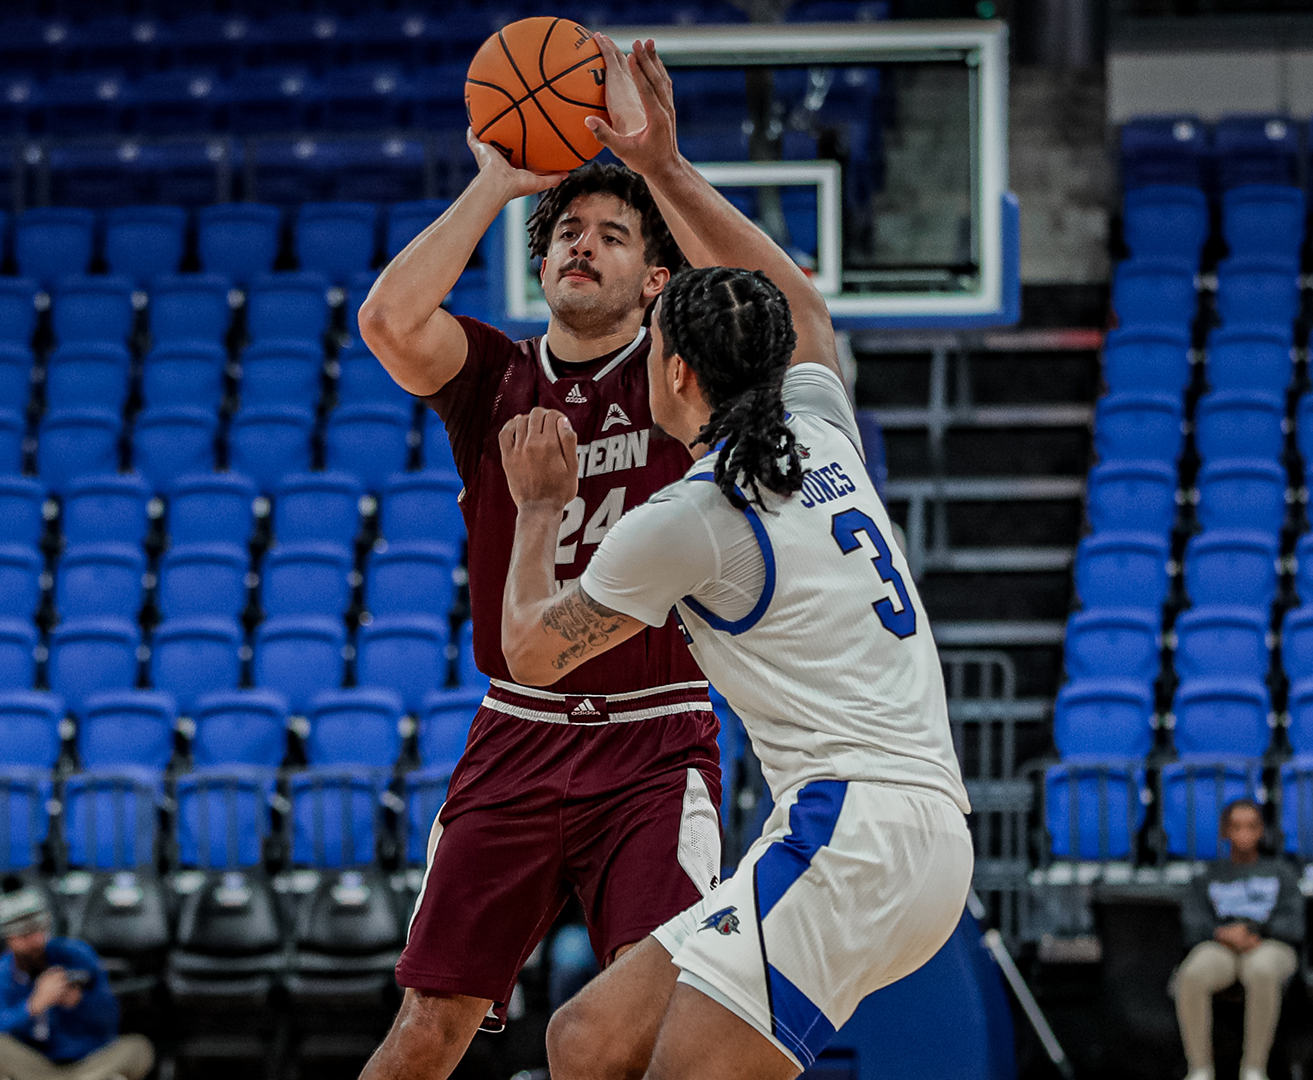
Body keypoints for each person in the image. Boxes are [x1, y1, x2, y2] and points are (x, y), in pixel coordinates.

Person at [493, 38, 973, 1080]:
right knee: (586, 1041)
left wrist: (537, 510)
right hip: (910, 831)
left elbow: (532, 655)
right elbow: (803, 306)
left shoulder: (693, 516)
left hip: (854, 832)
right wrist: (663, 168)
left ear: (672, 370)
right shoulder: (815, 423)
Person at [351, 42, 725, 1080]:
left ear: (655, 278)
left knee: (649, 1025)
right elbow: (387, 321)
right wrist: (497, 182)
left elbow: (759, 304)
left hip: (655, 742)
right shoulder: (495, 379)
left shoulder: (680, 375)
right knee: (429, 1028)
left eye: (612, 236)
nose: (582, 246)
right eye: (567, 232)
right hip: (516, 736)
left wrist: (656, 169)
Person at [1171, 800, 1302, 1080]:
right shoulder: (1207, 876)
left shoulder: (1282, 873)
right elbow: (1192, 922)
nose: (1244, 834)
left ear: (1261, 831)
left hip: (1268, 943)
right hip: (1221, 944)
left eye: (1251, 827)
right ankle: (1200, 1070)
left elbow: (1293, 922)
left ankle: (1254, 1069)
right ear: (1224, 832)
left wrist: (1257, 931)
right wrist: (1222, 934)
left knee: (1262, 969)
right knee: (1191, 973)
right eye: (1236, 827)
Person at [0, 879, 154, 1080]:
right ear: (8, 938)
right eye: (22, 935)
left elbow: (111, 1019)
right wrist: (34, 1005)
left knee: (138, 1048)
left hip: (87, 1062)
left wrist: (78, 1002)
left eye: (37, 930)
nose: (33, 941)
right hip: (35, 1066)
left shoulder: (77, 955)